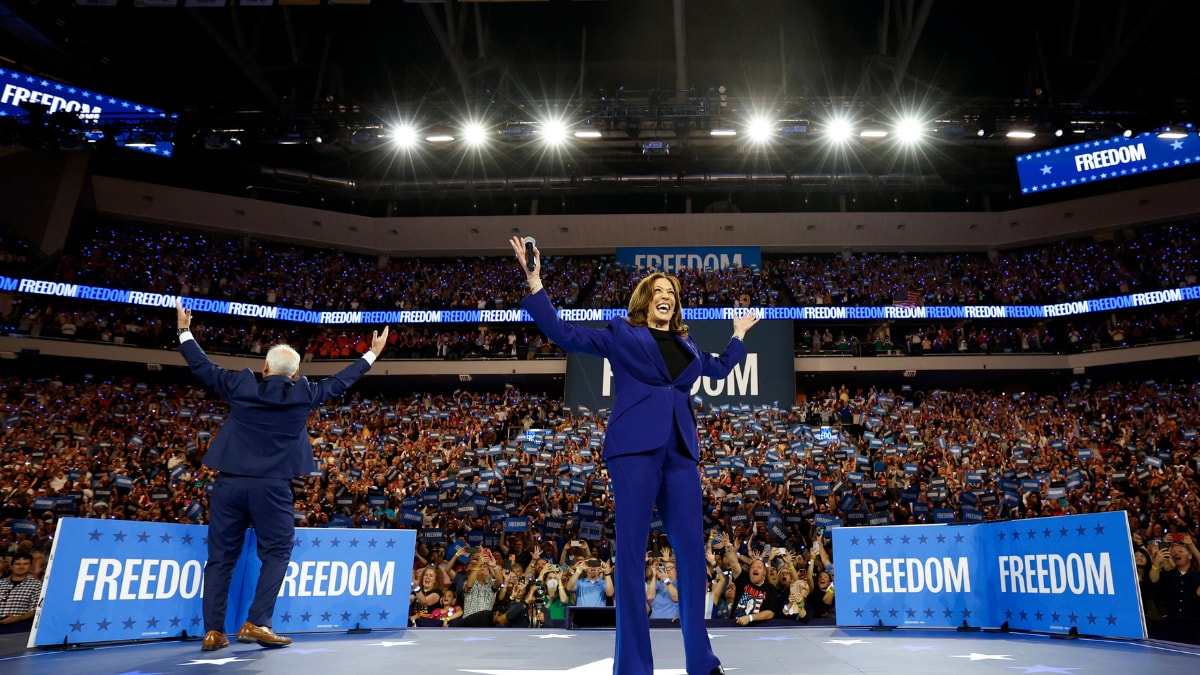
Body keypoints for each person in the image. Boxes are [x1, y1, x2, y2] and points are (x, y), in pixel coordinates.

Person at [511, 236, 759, 675]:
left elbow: (719, 367)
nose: (667, 297)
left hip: (681, 451)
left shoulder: (687, 347)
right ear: (645, 300)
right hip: (633, 449)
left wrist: (738, 335)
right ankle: (632, 667)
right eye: (659, 292)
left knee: (693, 554)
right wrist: (535, 284)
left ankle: (702, 663)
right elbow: (563, 333)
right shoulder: (621, 333)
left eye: (672, 294)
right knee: (630, 554)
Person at [175, 299, 388, 651]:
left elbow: (201, 366)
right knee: (276, 553)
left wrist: (184, 330)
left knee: (220, 559)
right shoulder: (304, 393)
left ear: (264, 368)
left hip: (228, 484)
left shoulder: (240, 385)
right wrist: (371, 354)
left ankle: (213, 631)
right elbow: (340, 382)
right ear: (294, 374)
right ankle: (257, 622)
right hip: (272, 488)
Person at [0, 552, 41, 634]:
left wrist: (17, 618)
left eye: (26, 564)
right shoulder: (1, 583)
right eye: (17, 564)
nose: (21, 567)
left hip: (18, 628)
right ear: (11, 566)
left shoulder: (37, 585)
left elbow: (36, 609)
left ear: (30, 566)